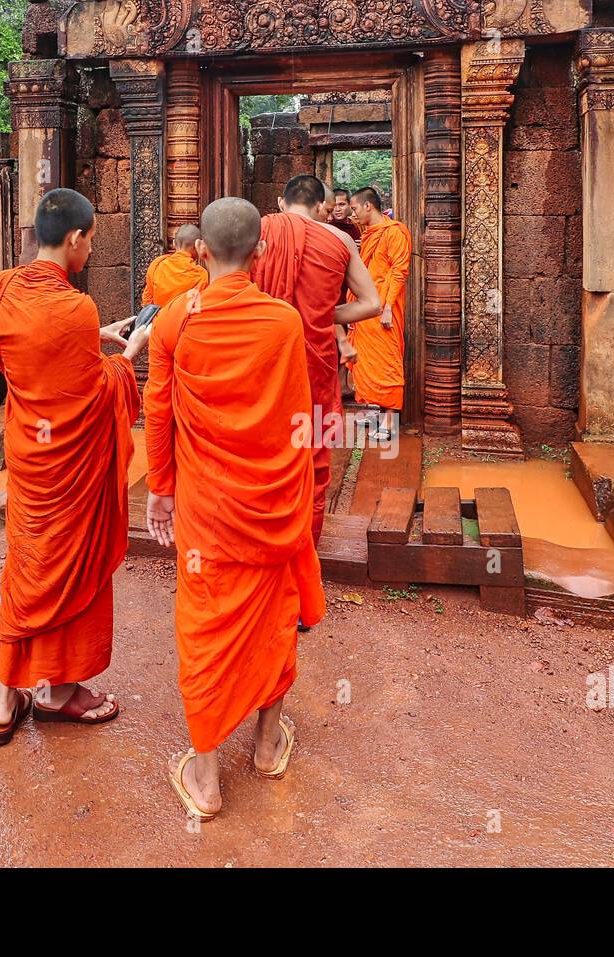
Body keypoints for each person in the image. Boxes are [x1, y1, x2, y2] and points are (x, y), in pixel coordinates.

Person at [144, 197, 326, 821]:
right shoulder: (284, 323)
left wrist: (160, 489)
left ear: (199, 251)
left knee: (204, 628)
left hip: (207, 511)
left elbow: (158, 410)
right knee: (276, 615)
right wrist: (297, 493)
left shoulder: (175, 321)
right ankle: (268, 744)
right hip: (271, 502)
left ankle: (206, 775)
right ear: (261, 251)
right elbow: (299, 421)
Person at [0, 188, 150, 747]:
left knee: (28, 565)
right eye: (93, 239)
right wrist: (128, 356)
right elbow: (96, 394)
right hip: (71, 466)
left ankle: (7, 701)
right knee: (71, 565)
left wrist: (92, 340)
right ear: (76, 238)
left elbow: (17, 365)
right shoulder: (77, 307)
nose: (92, 249)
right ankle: (58, 692)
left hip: (30, 456)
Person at [251, 174, 380, 545]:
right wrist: (322, 314)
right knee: (313, 453)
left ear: (281, 202)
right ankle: (305, 543)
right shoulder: (338, 238)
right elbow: (372, 304)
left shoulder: (258, 229)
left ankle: (262, 533)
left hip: (262, 358)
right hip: (315, 361)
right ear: (321, 207)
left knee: (261, 443)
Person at [348, 186, 412, 441]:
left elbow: (399, 271)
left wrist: (386, 308)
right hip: (365, 308)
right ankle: (377, 409)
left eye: (354, 209)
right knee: (365, 362)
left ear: (367, 206)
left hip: (383, 308)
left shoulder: (395, 232)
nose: (352, 215)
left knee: (386, 364)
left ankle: (390, 422)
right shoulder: (372, 232)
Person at [142, 224, 207, 308]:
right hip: (185, 320)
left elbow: (147, 301)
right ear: (197, 246)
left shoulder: (157, 265)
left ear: (173, 243)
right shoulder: (201, 275)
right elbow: (202, 305)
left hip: (159, 319)